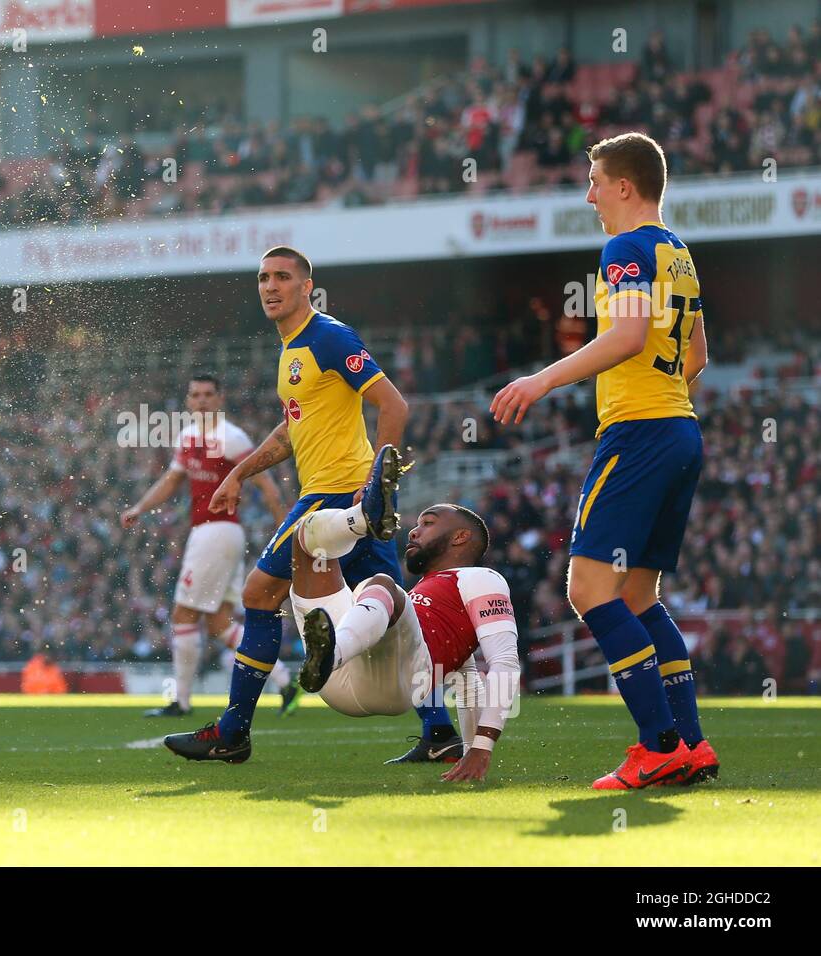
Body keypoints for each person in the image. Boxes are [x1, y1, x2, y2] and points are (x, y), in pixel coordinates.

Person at [165, 246, 460, 764]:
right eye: (263, 278)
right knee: (395, 612)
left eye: (282, 276)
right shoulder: (292, 351)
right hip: (348, 501)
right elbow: (290, 433)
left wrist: (376, 487)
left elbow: (393, 405)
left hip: (335, 497)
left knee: (258, 595)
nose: (270, 286)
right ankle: (439, 732)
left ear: (307, 285)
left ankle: (233, 732)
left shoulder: (328, 336)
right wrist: (239, 471)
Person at [491, 132, 718, 789]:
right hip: (680, 429)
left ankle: (658, 745)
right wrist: (664, 399)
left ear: (624, 186)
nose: (588, 194)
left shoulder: (625, 248)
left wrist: (541, 381)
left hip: (642, 433)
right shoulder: (677, 253)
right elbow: (697, 356)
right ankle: (690, 745)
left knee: (589, 589)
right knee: (641, 594)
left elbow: (625, 336)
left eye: (594, 181)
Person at [295, 493, 521, 782]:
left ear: (461, 537)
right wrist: (469, 752)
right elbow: (468, 682)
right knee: (309, 538)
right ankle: (359, 518)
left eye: (428, 522)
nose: (414, 531)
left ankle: (331, 654)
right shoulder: (435, 594)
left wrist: (483, 747)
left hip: (392, 679)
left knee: (381, 584)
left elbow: (505, 664)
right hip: (342, 681)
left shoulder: (483, 578)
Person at [122, 374, 290, 717]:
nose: (201, 401)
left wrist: (283, 534)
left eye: (208, 395)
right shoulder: (187, 437)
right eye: (195, 395)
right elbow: (171, 483)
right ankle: (286, 680)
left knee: (183, 614)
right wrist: (140, 507)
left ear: (220, 399)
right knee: (217, 624)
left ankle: (181, 701)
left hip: (218, 530)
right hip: (211, 532)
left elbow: (267, 487)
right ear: (187, 400)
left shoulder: (232, 437)